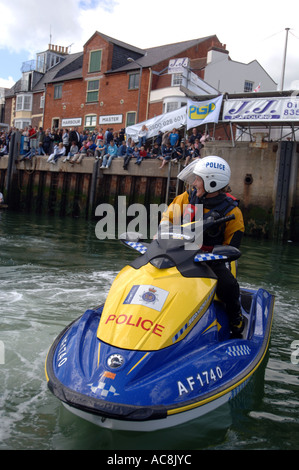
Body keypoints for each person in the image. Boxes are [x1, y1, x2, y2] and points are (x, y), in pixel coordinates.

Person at [160, 156, 245, 337]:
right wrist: (164, 230)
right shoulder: (186, 198)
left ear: (211, 183)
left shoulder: (232, 212)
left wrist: (212, 253)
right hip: (179, 253)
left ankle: (236, 317)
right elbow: (167, 218)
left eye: (198, 179)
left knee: (228, 286)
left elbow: (232, 246)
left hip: (210, 261)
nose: (194, 183)